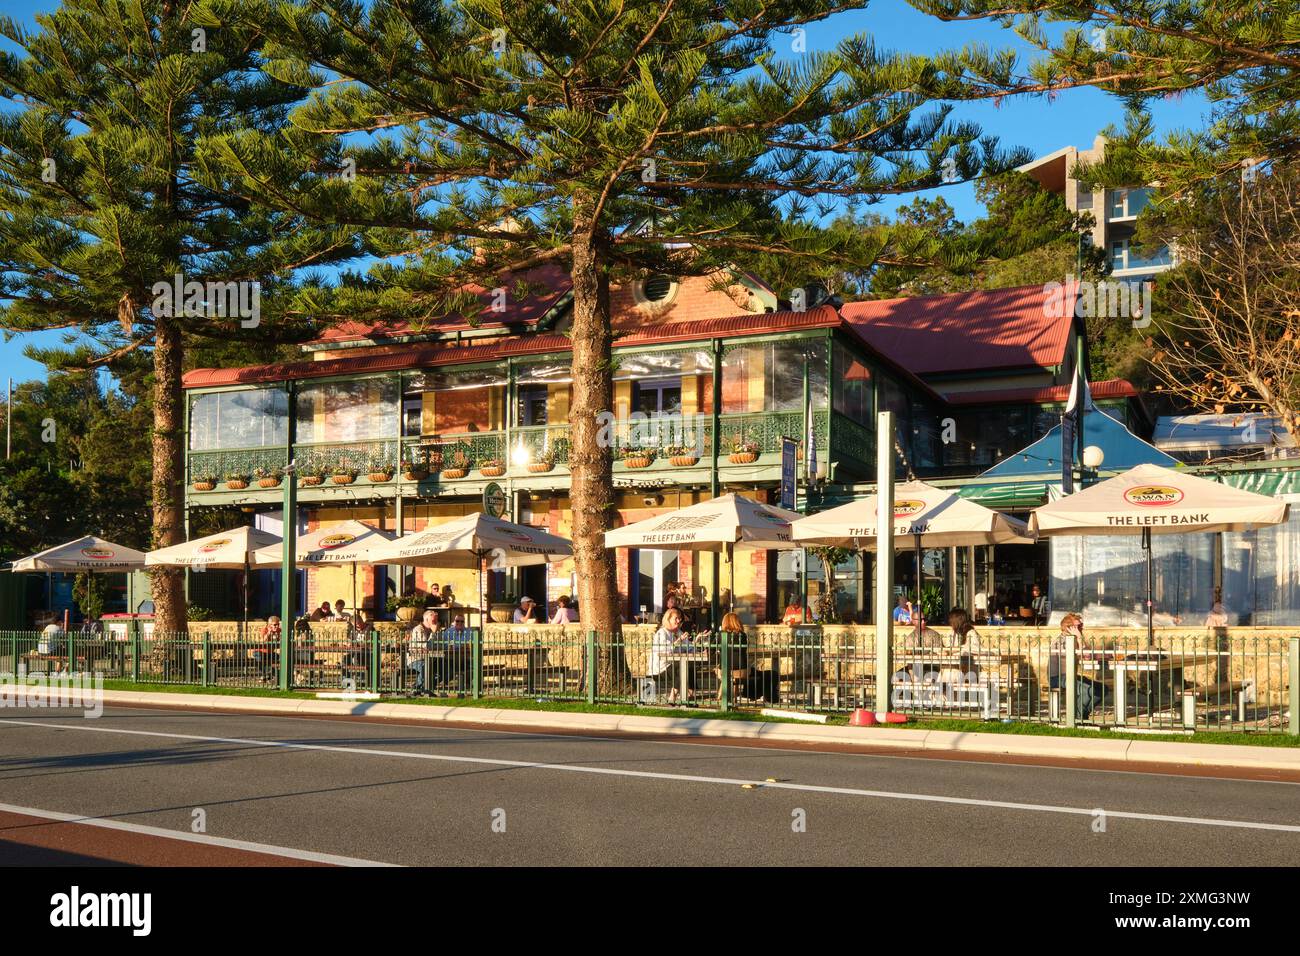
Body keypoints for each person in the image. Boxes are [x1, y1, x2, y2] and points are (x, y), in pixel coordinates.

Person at [1049, 613, 1104, 721]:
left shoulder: (1072, 639)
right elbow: (1084, 655)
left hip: (1071, 676)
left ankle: (1081, 715)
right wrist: (1079, 638)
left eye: (1081, 625)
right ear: (1069, 628)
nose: (1081, 628)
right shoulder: (1062, 641)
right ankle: (1077, 718)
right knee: (1089, 690)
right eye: (1078, 626)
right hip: (1058, 678)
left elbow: (1087, 655)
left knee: (1102, 689)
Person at [647, 607, 687, 703]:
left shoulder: (678, 632)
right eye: (676, 618)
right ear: (668, 619)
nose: (678, 621)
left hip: (671, 664)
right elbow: (665, 651)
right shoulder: (662, 633)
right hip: (661, 668)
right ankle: (673, 695)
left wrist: (697, 641)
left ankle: (689, 692)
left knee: (689, 664)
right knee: (682, 665)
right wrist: (678, 642)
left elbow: (688, 647)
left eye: (679, 619)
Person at [407, 608, 440, 693]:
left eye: (436, 620)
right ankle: (416, 688)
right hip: (415, 659)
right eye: (433, 620)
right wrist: (433, 633)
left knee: (445, 669)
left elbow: (440, 644)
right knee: (425, 667)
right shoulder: (418, 630)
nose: (436, 622)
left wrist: (435, 633)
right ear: (426, 619)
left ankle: (427, 689)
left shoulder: (433, 629)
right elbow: (426, 646)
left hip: (430, 658)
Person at [440, 613, 474, 689]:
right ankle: (444, 684)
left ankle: (467, 685)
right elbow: (446, 647)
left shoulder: (469, 632)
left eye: (462, 621)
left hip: (466, 657)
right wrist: (462, 647)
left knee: (472, 666)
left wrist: (459, 647)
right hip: (451, 658)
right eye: (457, 621)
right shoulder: (448, 632)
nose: (459, 623)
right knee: (452, 668)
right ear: (454, 621)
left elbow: (471, 646)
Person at [254, 616, 281, 681]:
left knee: (277, 657)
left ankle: (272, 675)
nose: (276, 626)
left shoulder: (279, 630)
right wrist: (269, 633)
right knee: (259, 657)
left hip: (270, 652)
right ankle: (263, 675)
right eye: (275, 625)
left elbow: (281, 641)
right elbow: (263, 641)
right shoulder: (265, 629)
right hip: (261, 651)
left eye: (278, 624)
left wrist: (279, 635)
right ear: (269, 625)